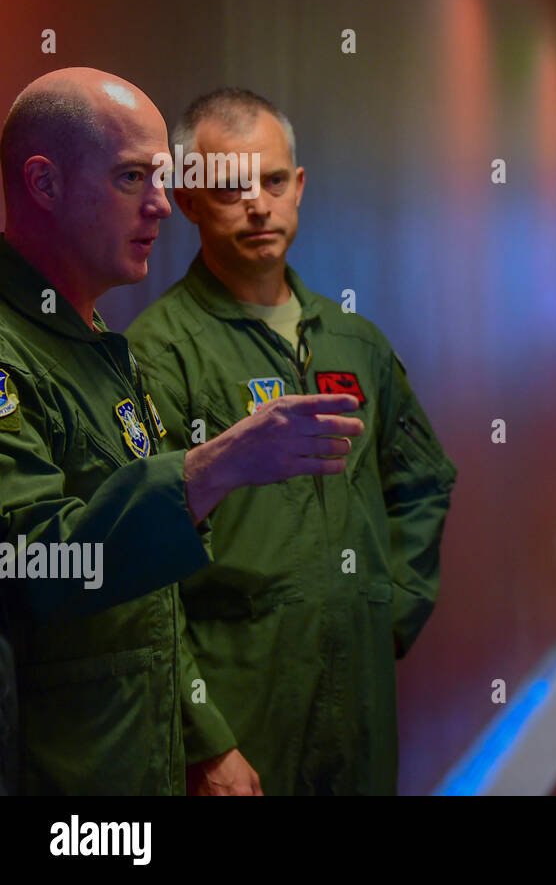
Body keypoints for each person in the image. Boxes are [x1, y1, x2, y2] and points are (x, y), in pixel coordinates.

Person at [0, 68, 365, 795]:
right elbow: (29, 563)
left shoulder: (97, 340)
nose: (163, 206)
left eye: (161, 178)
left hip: (138, 755)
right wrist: (210, 468)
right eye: (132, 177)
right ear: (43, 184)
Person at [128, 88, 456, 796]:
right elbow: (140, 568)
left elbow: (422, 479)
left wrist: (388, 608)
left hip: (357, 694)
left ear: (298, 186)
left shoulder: (353, 341)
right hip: (241, 694)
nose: (257, 204)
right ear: (185, 197)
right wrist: (203, 735)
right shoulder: (158, 354)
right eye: (229, 186)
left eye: (274, 181)